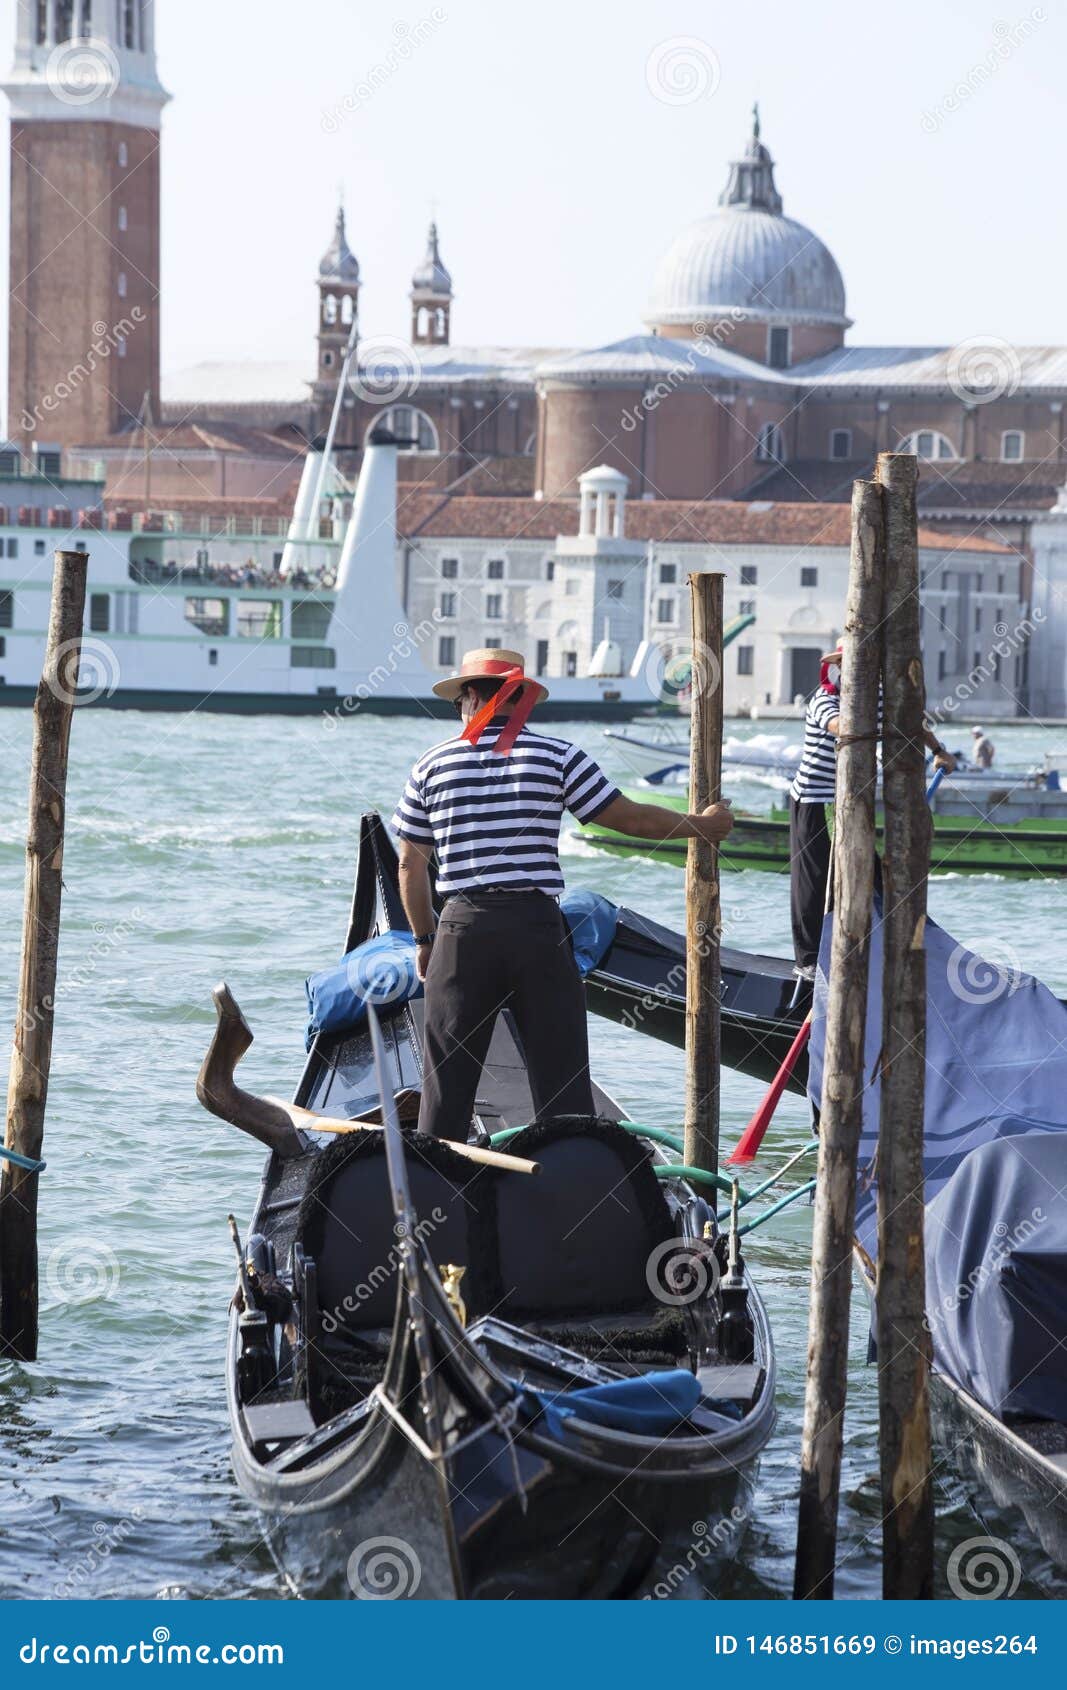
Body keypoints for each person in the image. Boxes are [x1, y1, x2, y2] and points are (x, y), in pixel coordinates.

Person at [393, 647, 734, 1142]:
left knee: (446, 1084)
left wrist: (425, 938)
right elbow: (628, 817)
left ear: (469, 698)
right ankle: (570, 1184)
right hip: (537, 930)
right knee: (563, 1082)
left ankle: (439, 1189)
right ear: (523, 700)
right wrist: (700, 826)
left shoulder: (431, 764)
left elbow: (410, 865)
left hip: (463, 930)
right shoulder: (558, 755)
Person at [789, 645, 956, 978]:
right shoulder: (824, 699)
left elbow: (912, 722)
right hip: (814, 799)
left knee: (873, 877)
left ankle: (893, 950)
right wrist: (890, 725)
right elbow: (842, 728)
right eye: (847, 665)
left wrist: (939, 750)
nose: (855, 671)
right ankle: (808, 961)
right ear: (838, 668)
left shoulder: (877, 699)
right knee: (815, 880)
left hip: (852, 799)